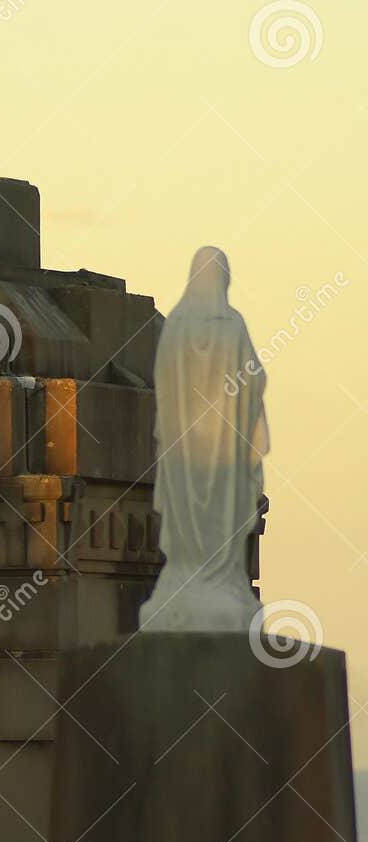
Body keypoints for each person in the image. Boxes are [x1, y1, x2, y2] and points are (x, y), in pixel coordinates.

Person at [139, 246, 269, 633]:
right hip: (225, 452)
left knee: (186, 514)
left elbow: (163, 385)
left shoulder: (177, 325)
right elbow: (255, 377)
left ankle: (190, 579)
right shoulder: (232, 325)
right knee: (223, 514)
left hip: (183, 452)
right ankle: (219, 580)